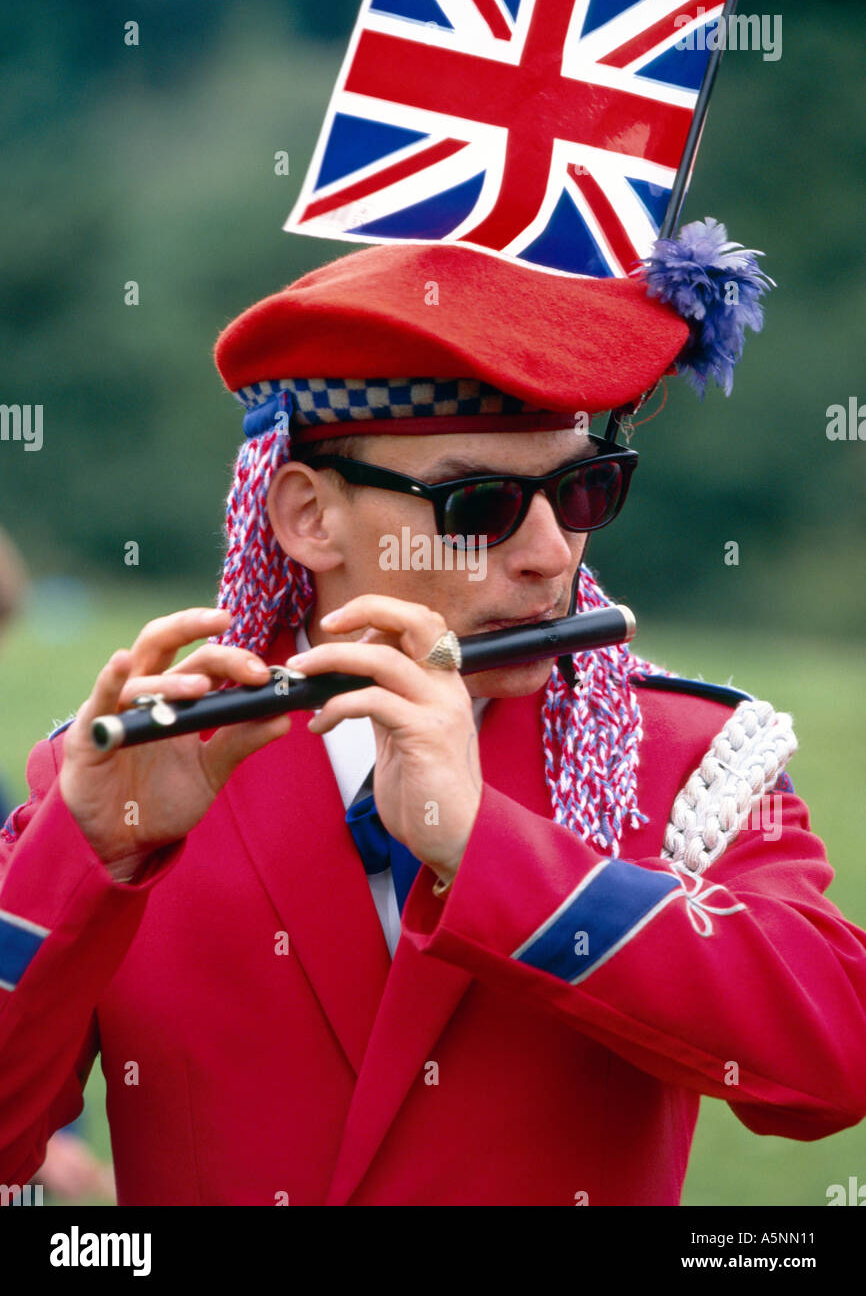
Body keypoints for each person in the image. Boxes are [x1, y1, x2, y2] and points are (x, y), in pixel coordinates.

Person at [2, 239, 865, 1207]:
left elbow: (831, 1062)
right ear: (307, 517)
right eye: (481, 504)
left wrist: (483, 847)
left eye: (583, 489)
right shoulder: (140, 764)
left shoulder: (686, 757)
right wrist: (87, 861)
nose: (551, 553)